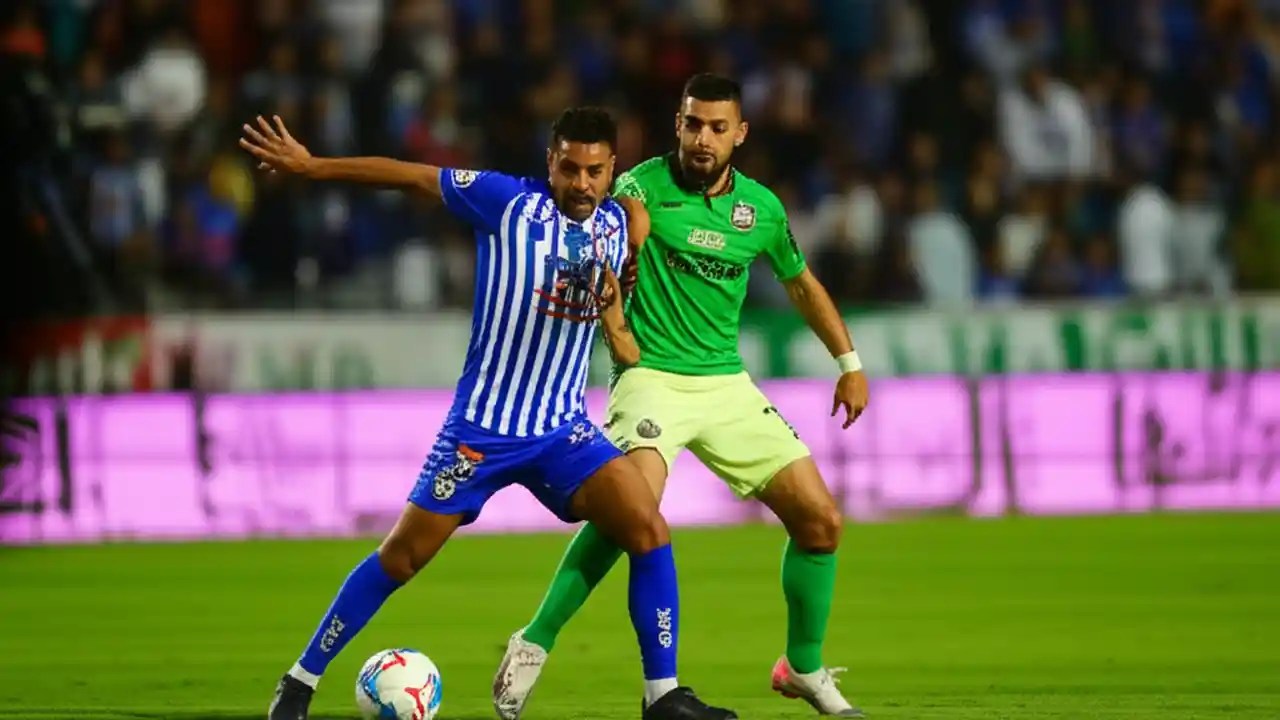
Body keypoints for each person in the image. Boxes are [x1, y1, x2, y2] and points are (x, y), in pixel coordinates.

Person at [239, 108, 736, 720]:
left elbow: (627, 345)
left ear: (612, 173)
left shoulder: (617, 225)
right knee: (401, 558)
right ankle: (299, 681)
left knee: (647, 527)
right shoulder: (505, 202)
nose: (582, 183)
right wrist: (314, 167)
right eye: (570, 169)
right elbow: (413, 176)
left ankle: (663, 696)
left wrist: (617, 304)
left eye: (595, 172)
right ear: (550, 163)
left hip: (561, 431)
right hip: (481, 432)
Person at [493, 74, 871, 719]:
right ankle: (535, 640)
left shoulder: (762, 211)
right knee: (631, 511)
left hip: (726, 382)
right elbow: (608, 224)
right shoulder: (639, 187)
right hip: (651, 379)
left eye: (718, 128)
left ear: (739, 134)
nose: (704, 139)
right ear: (678, 124)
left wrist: (849, 361)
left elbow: (801, 284)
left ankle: (802, 667)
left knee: (822, 524)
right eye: (694, 124)